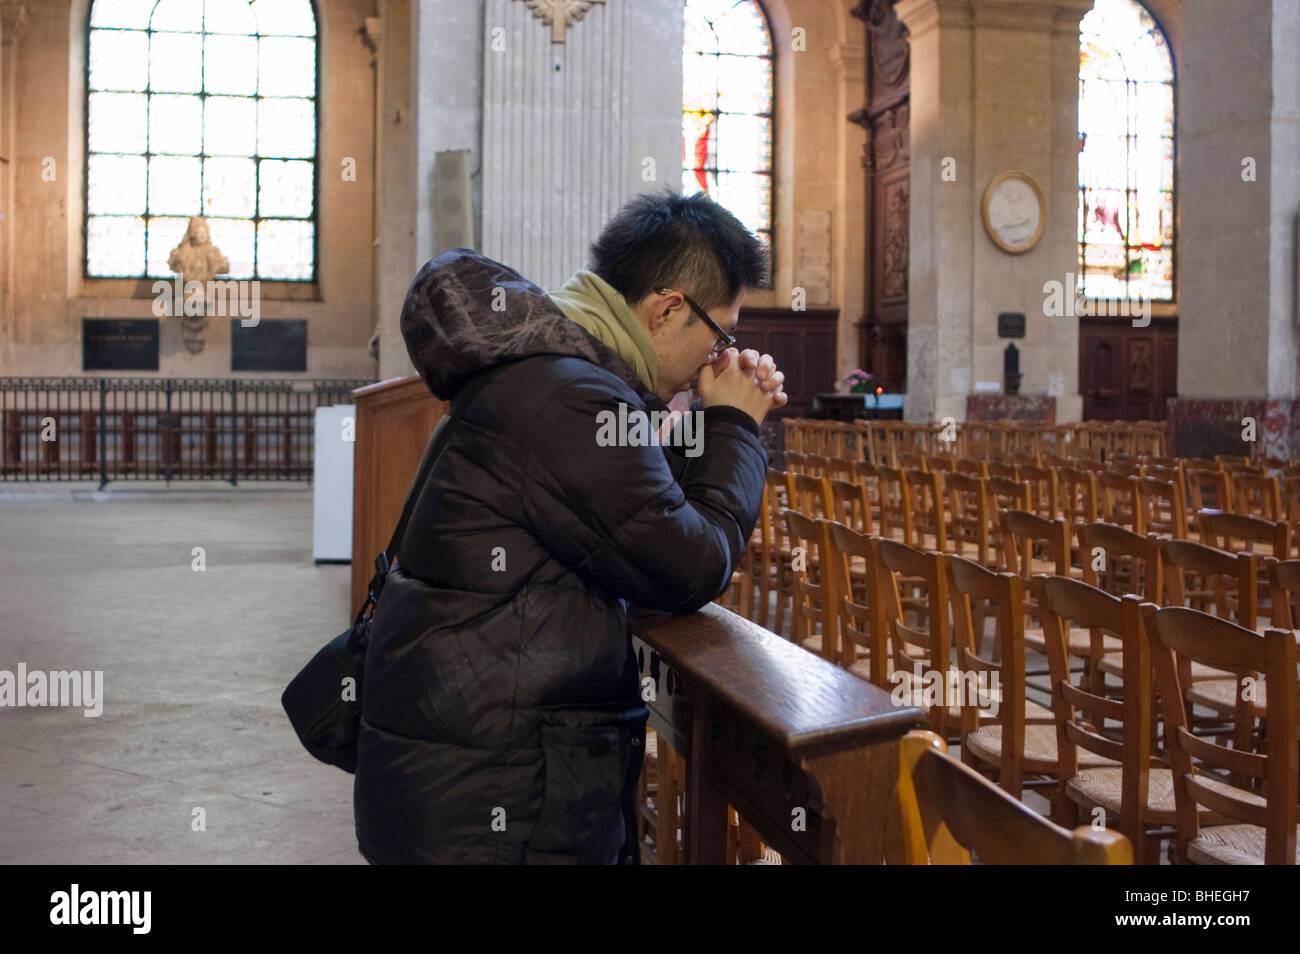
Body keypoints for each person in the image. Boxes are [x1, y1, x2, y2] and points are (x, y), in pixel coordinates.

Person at [353, 190, 787, 864]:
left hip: (475, 773)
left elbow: (627, 518)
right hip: (499, 798)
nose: (717, 356)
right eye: (721, 334)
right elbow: (687, 565)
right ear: (669, 308)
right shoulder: (571, 394)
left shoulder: (554, 374)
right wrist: (732, 425)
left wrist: (709, 422)